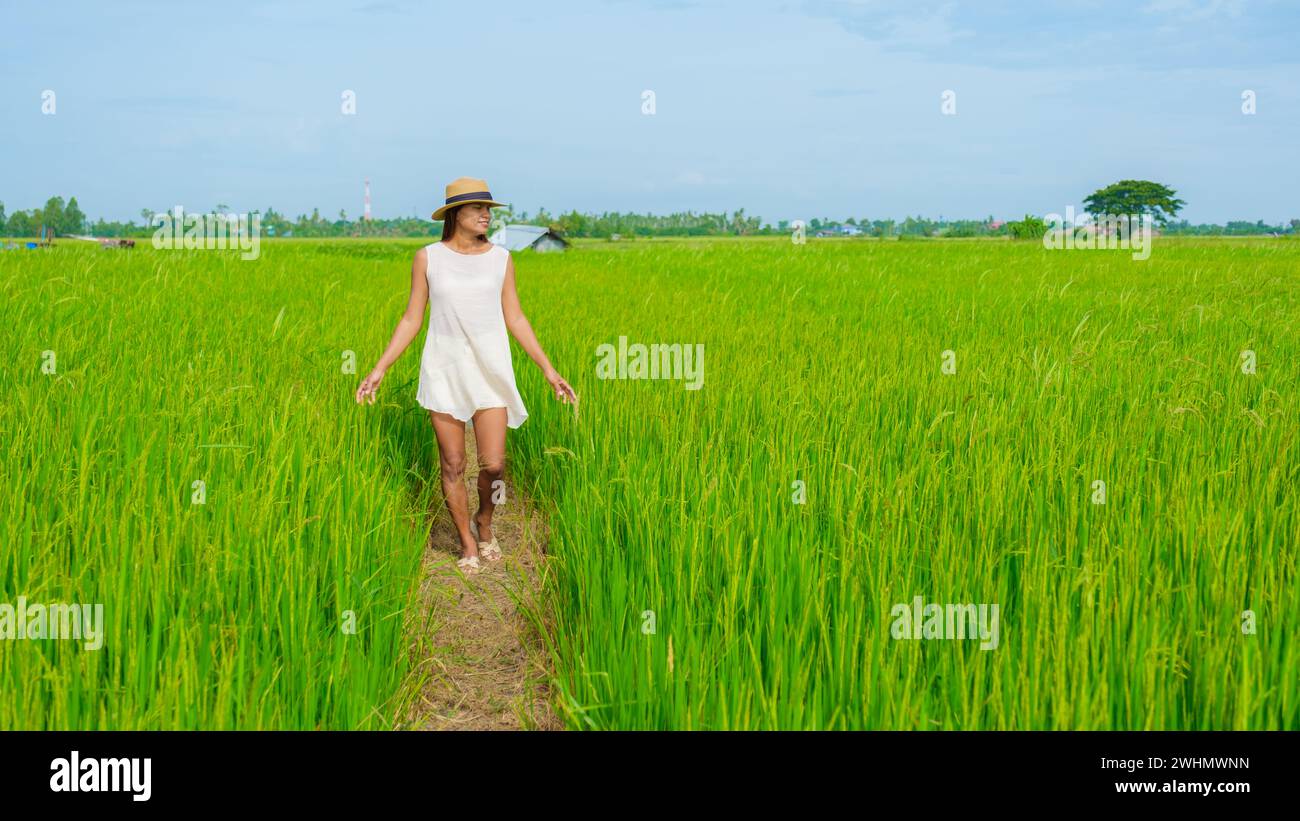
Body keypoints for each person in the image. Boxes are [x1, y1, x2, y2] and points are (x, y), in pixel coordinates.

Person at [355, 177, 577, 574]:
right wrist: (379, 368)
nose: (486, 215)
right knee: (454, 463)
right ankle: (467, 542)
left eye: (488, 209)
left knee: (494, 464)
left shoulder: (502, 259)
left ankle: (485, 521)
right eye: (478, 208)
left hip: (491, 369)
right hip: (444, 368)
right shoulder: (428, 258)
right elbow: (411, 318)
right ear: (455, 213)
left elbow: (516, 317)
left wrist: (549, 370)